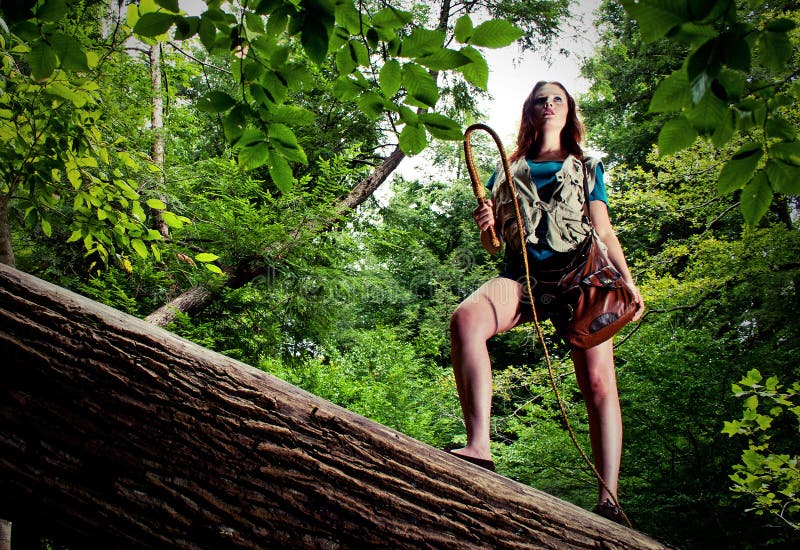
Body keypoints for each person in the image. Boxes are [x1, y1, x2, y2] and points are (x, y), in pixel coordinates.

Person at [448, 81, 645, 523]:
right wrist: (485, 225)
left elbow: (604, 229)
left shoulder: (587, 165)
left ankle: (609, 498)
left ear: (568, 109)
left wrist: (628, 283)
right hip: (521, 277)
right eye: (541, 100)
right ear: (530, 112)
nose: (550, 105)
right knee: (466, 320)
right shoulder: (507, 169)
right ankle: (479, 446)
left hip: (580, 275)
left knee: (598, 385)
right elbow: (494, 246)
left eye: (558, 99)